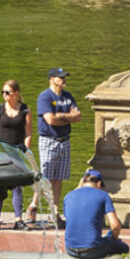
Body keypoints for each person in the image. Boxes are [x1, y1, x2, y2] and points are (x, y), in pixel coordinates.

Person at [34, 68, 81, 228]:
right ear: (52, 79)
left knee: (58, 179)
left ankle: (53, 212)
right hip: (49, 140)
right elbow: (50, 120)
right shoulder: (45, 97)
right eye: (60, 77)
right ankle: (34, 205)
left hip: (64, 140)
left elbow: (78, 117)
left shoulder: (67, 96)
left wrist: (61, 116)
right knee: (45, 177)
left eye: (64, 77)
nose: (64, 80)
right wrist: (68, 117)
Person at [0, 80, 30, 230]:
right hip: (2, 150)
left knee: (17, 186)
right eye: (3, 92)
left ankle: (18, 219)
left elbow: (28, 133)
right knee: (0, 185)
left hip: (17, 150)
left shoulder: (25, 110)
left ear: (15, 93)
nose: (4, 95)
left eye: (7, 92)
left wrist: (25, 149)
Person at [63, 168, 127, 259]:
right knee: (123, 247)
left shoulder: (68, 196)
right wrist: (114, 240)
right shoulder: (103, 195)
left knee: (109, 236)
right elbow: (115, 225)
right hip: (92, 250)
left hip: (70, 249)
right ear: (99, 183)